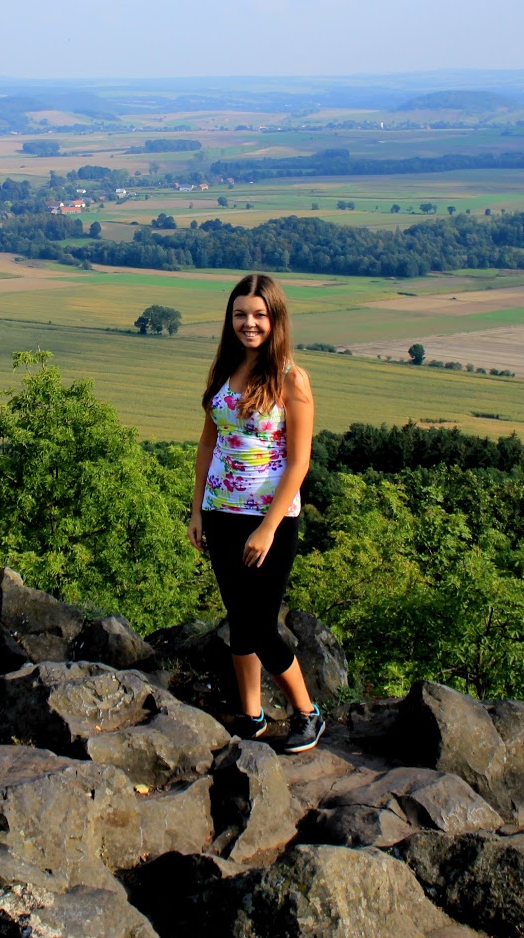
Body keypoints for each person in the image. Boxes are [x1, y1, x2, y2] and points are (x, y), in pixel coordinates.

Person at [188, 273, 324, 753]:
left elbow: (299, 460)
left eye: (259, 315)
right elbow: (209, 442)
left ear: (275, 319)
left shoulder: (291, 378)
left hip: (272, 519)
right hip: (221, 512)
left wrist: (267, 527)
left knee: (261, 624)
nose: (249, 323)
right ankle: (251, 715)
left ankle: (307, 713)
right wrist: (197, 510)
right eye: (241, 314)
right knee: (238, 617)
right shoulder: (224, 369)